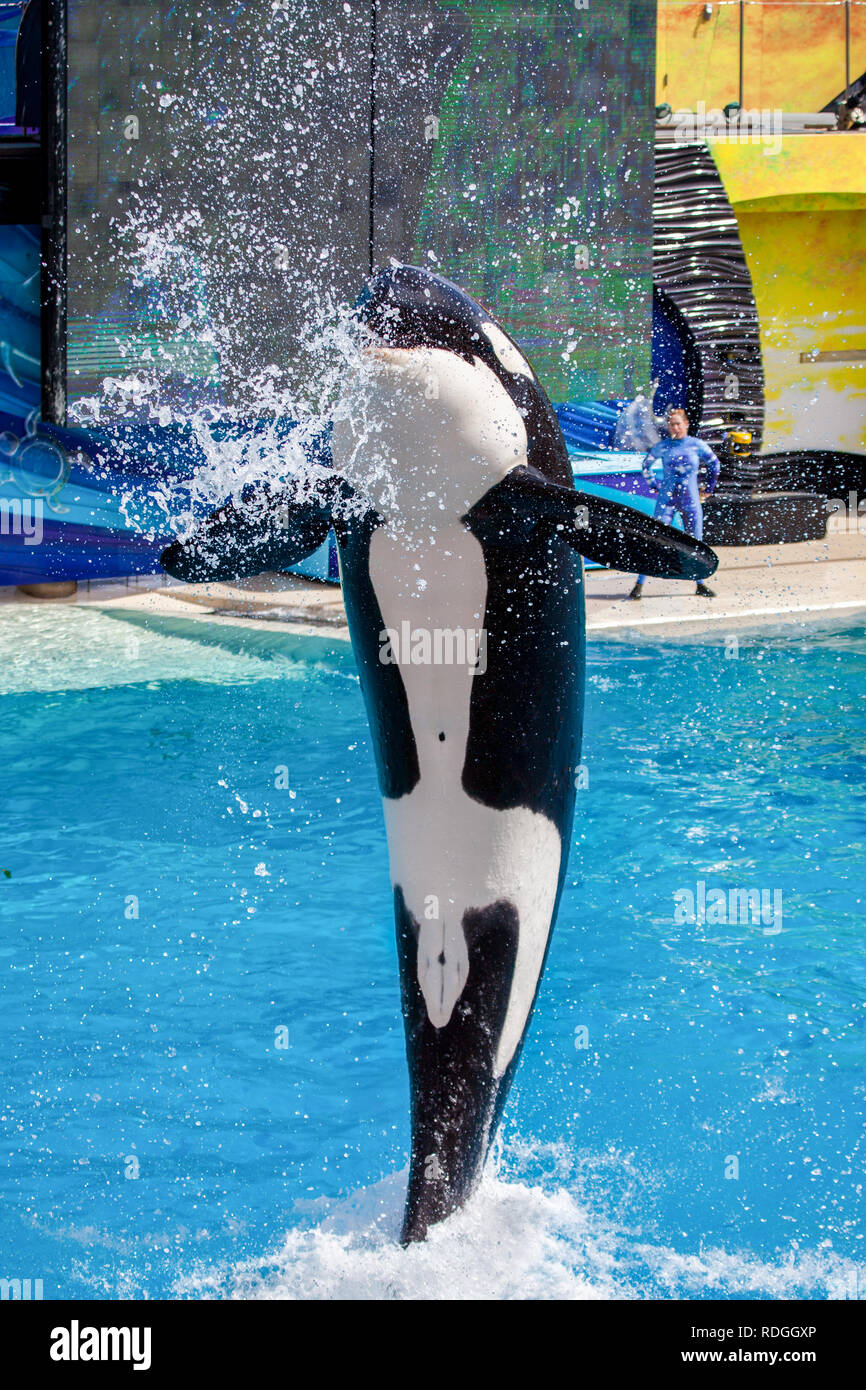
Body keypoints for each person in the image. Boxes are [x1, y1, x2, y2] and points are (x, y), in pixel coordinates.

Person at [629, 407, 720, 600]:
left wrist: (709, 488)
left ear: (686, 424)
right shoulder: (663, 446)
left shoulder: (697, 445)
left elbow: (715, 464)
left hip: (691, 500)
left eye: (678, 423)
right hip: (667, 500)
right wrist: (654, 485)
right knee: (654, 539)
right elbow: (646, 465)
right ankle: (639, 585)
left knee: (696, 542)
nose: (675, 428)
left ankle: (700, 584)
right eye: (671, 424)